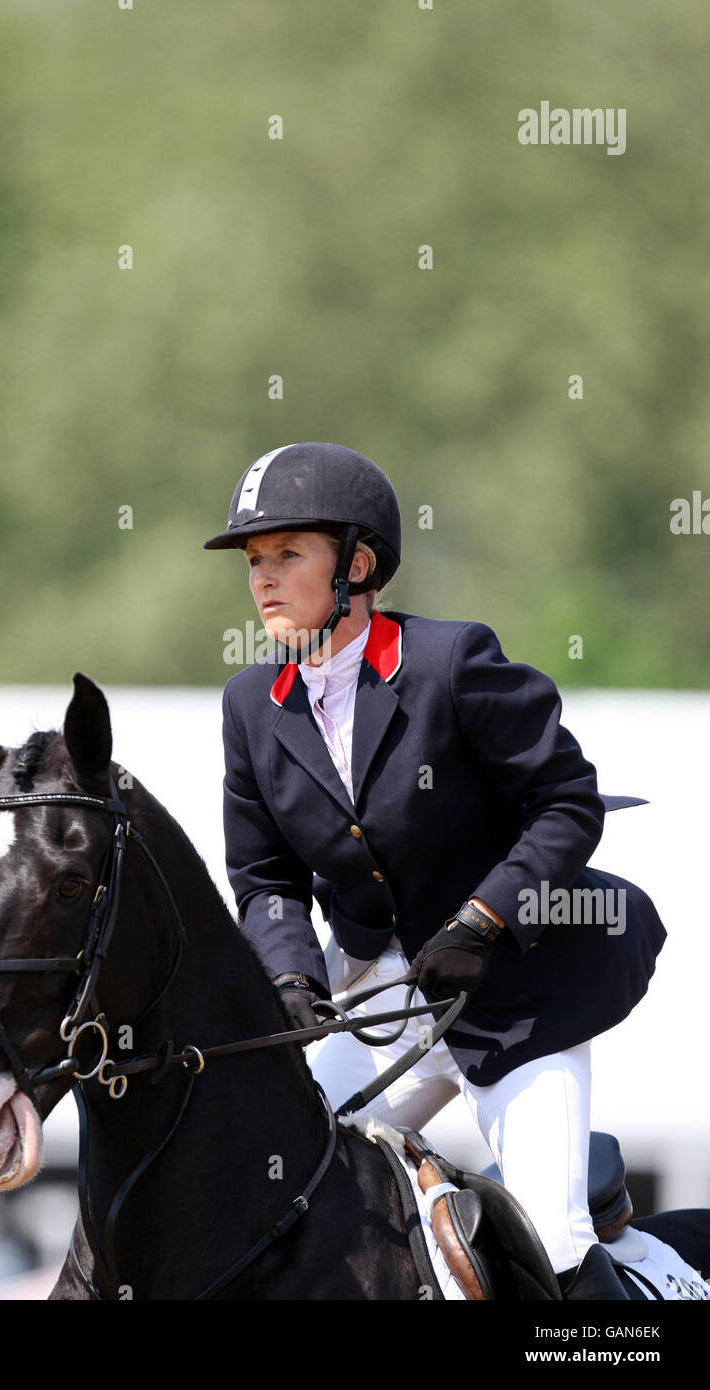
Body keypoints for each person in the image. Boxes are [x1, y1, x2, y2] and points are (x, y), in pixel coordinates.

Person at [203, 440, 666, 1300]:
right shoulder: (249, 709)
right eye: (255, 562)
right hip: (384, 1006)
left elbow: (568, 804)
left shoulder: (450, 664)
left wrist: (484, 919)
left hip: (517, 1000)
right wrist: (293, 979)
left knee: (548, 1246)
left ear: (358, 564)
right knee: (274, 1194)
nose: (263, 578)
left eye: (287, 555)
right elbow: (265, 878)